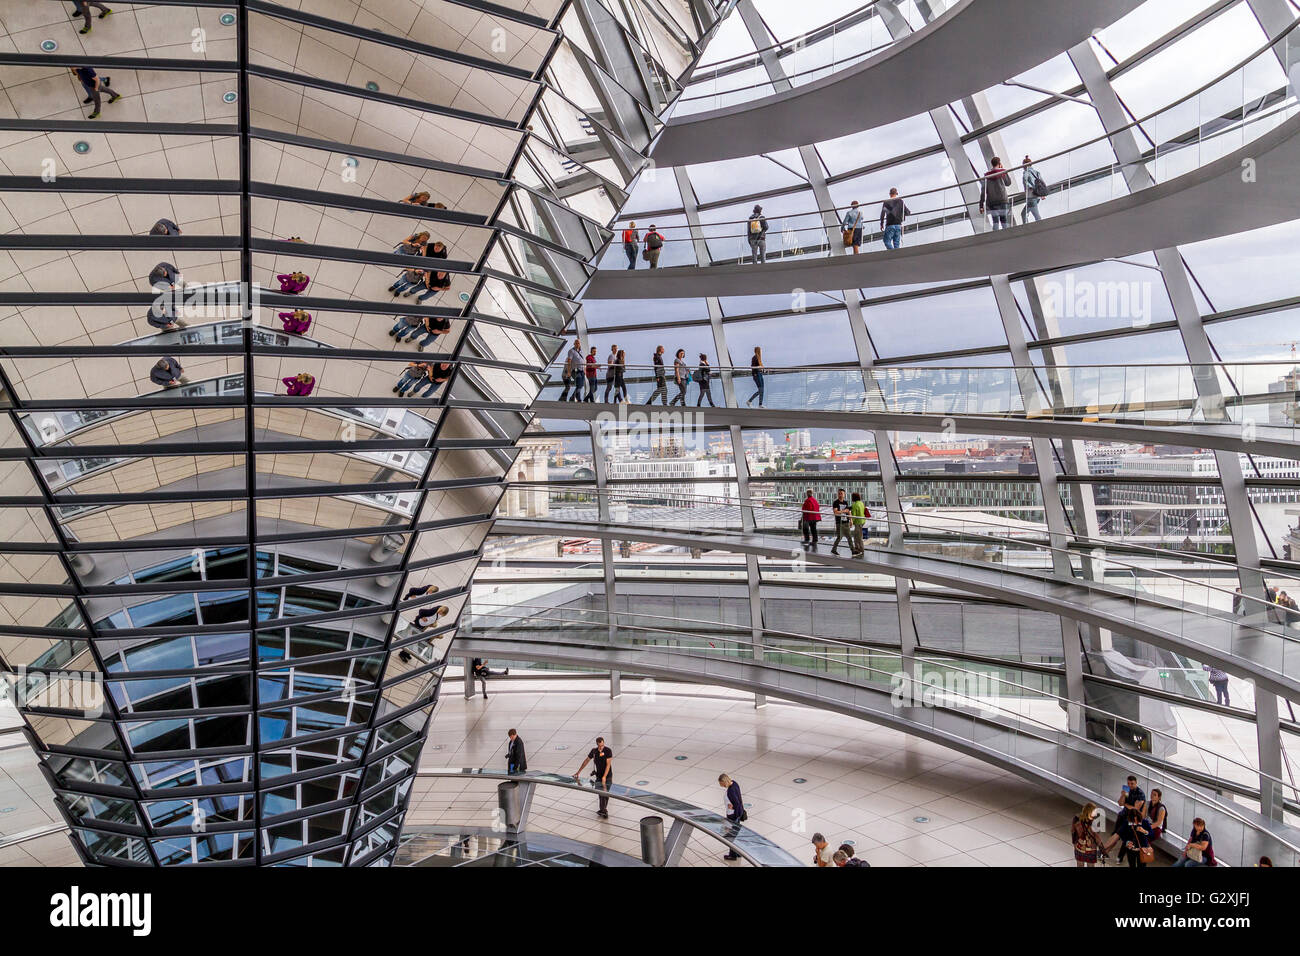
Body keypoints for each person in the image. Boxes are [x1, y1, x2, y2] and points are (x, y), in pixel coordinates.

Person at [573, 736, 614, 818]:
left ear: (603, 743)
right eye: (600, 746)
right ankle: (603, 810)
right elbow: (586, 761)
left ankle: (603, 810)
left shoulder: (608, 751)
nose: (601, 747)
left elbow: (608, 765)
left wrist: (604, 777)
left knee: (606, 793)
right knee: (601, 793)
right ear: (597, 744)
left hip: (607, 776)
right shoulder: (594, 751)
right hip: (598, 776)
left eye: (602, 745)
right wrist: (578, 772)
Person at [979, 157, 1013, 231]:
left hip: (992, 201)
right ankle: (1006, 237)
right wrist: (1003, 170)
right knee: (1004, 220)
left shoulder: (986, 176)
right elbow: (1008, 183)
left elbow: (983, 191)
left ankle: (996, 238)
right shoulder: (1002, 172)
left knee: (995, 222)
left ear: (992, 164)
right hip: (1002, 200)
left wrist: (981, 205)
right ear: (999, 163)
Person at [718, 773, 745, 860]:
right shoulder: (734, 783)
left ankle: (732, 855)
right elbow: (739, 799)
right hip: (737, 814)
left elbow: (736, 802)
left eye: (721, 784)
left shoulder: (731, 791)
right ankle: (737, 853)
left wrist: (734, 809)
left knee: (731, 835)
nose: (721, 786)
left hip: (733, 816)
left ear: (724, 781)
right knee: (735, 834)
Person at [1021, 155, 1045, 223]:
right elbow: (1042, 183)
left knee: (1036, 215)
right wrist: (1042, 194)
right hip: (1037, 196)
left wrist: (1030, 187)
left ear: (1024, 165)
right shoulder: (1037, 172)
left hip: (1031, 196)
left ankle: (1040, 227)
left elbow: (1025, 182)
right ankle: (1027, 227)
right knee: (1023, 214)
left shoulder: (1026, 172)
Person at [830, 488, 851, 554]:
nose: (840, 495)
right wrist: (843, 511)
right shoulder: (835, 502)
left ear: (844, 495)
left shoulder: (846, 502)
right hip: (839, 522)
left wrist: (851, 520)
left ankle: (853, 551)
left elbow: (849, 512)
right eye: (839, 493)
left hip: (846, 522)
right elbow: (835, 512)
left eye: (841, 494)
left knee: (849, 537)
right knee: (839, 537)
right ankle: (834, 549)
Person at [849, 491, 868, 556]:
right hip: (862, 521)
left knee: (857, 537)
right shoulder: (861, 503)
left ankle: (859, 549)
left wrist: (851, 522)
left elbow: (853, 515)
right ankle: (859, 549)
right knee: (858, 535)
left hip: (858, 522)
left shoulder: (855, 504)